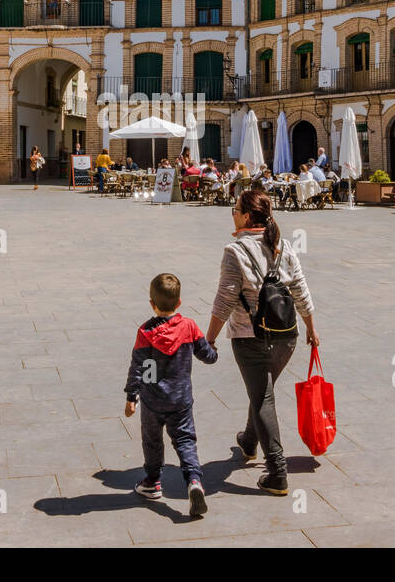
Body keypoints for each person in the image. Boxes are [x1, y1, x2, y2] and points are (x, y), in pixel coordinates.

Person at [207, 188, 317, 495]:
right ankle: (248, 441)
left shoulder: (235, 251)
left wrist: (210, 338)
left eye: (234, 208)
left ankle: (277, 473)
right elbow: (300, 289)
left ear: (245, 216)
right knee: (262, 391)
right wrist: (311, 327)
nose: (231, 212)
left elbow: (225, 299)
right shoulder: (283, 246)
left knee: (262, 397)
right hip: (287, 336)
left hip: (250, 337)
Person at [124, 273, 217, 516]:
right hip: (181, 399)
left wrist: (132, 395)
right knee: (185, 441)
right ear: (179, 303)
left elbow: (140, 366)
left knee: (152, 441)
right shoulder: (189, 327)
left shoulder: (146, 332)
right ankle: (194, 481)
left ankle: (152, 482)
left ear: (152, 304)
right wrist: (213, 351)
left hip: (153, 400)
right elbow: (206, 354)